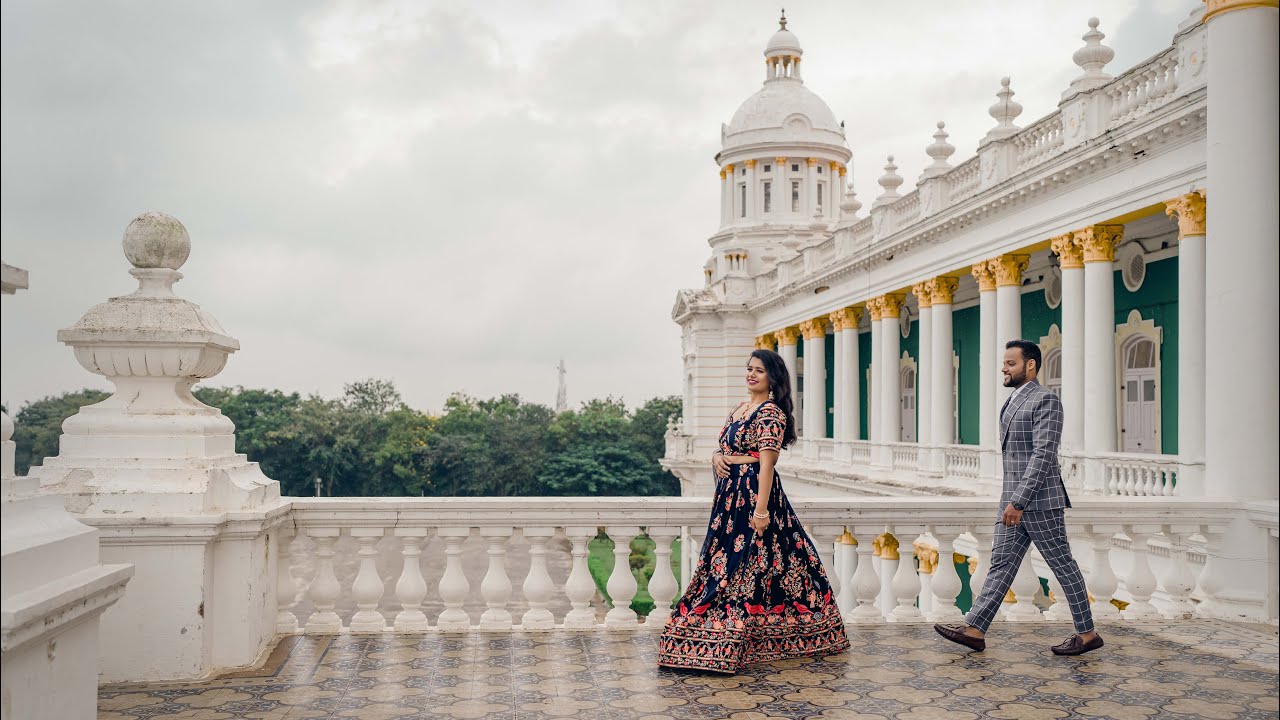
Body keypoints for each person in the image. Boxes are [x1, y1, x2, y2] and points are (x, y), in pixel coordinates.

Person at [657, 349, 850, 673]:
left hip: (752, 497)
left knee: (753, 568)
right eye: (749, 369)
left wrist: (761, 512)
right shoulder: (741, 408)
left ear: (771, 377)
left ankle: (736, 640)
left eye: (758, 371)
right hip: (728, 499)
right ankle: (716, 639)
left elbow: (766, 465)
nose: (751, 375)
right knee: (726, 563)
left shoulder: (770, 412)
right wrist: (717, 457)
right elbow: (729, 448)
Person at [935, 339, 1103, 656]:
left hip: (1038, 502)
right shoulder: (1013, 401)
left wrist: (1019, 501)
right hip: (1012, 501)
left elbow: (1043, 456)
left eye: (1011, 363)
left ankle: (1088, 634)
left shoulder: (1046, 401)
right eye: (1004, 362)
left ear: (1030, 365)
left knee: (1062, 565)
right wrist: (1011, 501)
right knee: (1000, 564)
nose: (1004, 368)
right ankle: (975, 629)